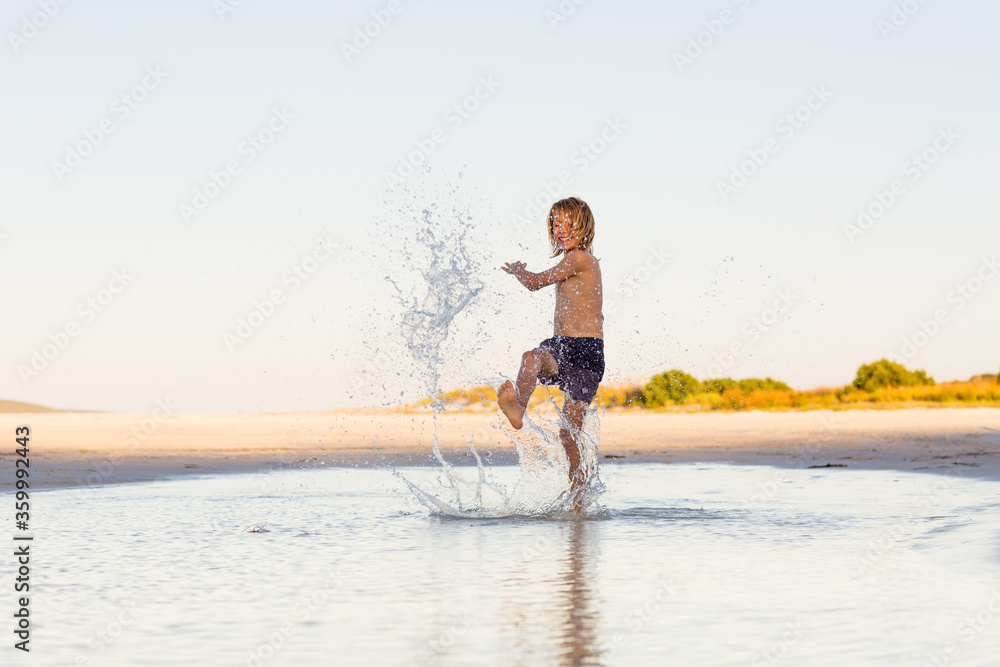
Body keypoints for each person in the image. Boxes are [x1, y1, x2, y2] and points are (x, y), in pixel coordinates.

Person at [497, 196, 604, 506]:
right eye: (556, 224)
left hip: (586, 353)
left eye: (569, 224)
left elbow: (535, 283)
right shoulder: (571, 260)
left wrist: (519, 272)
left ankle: (578, 492)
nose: (561, 230)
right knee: (531, 358)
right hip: (561, 346)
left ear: (584, 228)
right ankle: (518, 407)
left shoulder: (581, 259)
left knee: (568, 435)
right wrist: (521, 274)